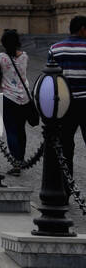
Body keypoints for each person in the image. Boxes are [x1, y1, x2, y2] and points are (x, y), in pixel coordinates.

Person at [50, 15, 86, 180]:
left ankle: (66, 186)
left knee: (65, 146)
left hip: (65, 104)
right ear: (82, 29)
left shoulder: (55, 49)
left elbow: (50, 78)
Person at [0, 29, 30, 175]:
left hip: (8, 97)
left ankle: (15, 163)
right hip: (24, 97)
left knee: (11, 130)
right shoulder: (24, 57)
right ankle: (21, 158)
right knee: (21, 130)